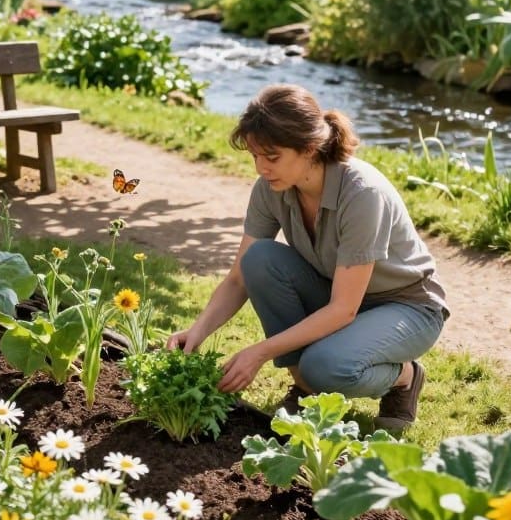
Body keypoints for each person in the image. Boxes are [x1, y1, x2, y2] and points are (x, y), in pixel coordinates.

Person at [166, 84, 449, 431]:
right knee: (259, 259)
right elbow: (239, 277)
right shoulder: (271, 188)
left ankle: (404, 376)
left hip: (406, 307)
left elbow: (343, 309)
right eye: (255, 156)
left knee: (324, 366)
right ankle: (305, 386)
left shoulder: (362, 194)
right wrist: (196, 332)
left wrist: (259, 352)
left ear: (310, 148)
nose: (261, 168)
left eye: (272, 157)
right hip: (339, 294)